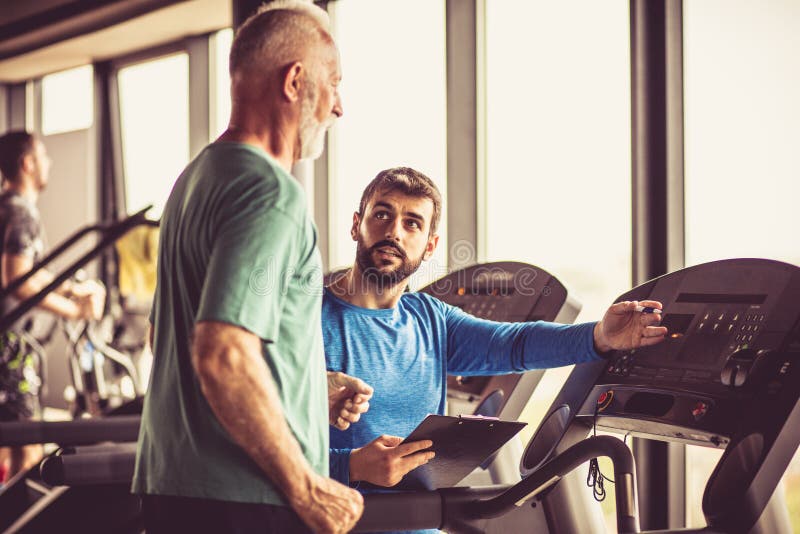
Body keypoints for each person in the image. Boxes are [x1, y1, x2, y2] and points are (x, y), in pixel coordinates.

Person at [132, 2, 372, 533]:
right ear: (295, 81)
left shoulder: (195, 180)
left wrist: (301, 391)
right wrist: (307, 488)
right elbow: (222, 354)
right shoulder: (271, 194)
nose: (338, 107)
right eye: (334, 84)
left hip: (173, 486)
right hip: (247, 498)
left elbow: (165, 337)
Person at [323, 167, 667, 533]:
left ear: (429, 246)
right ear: (356, 225)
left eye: (412, 223)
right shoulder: (302, 321)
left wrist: (599, 336)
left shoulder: (431, 319)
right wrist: (352, 466)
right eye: (382, 214)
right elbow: (273, 453)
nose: (394, 231)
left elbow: (514, 343)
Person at [0, 130, 105, 483]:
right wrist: (74, 311)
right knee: (27, 449)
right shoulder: (22, 213)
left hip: (8, 345)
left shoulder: (6, 207)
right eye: (43, 156)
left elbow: (33, 271)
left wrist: (72, 290)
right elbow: (18, 279)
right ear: (27, 163)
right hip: (10, 346)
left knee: (11, 441)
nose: (49, 162)